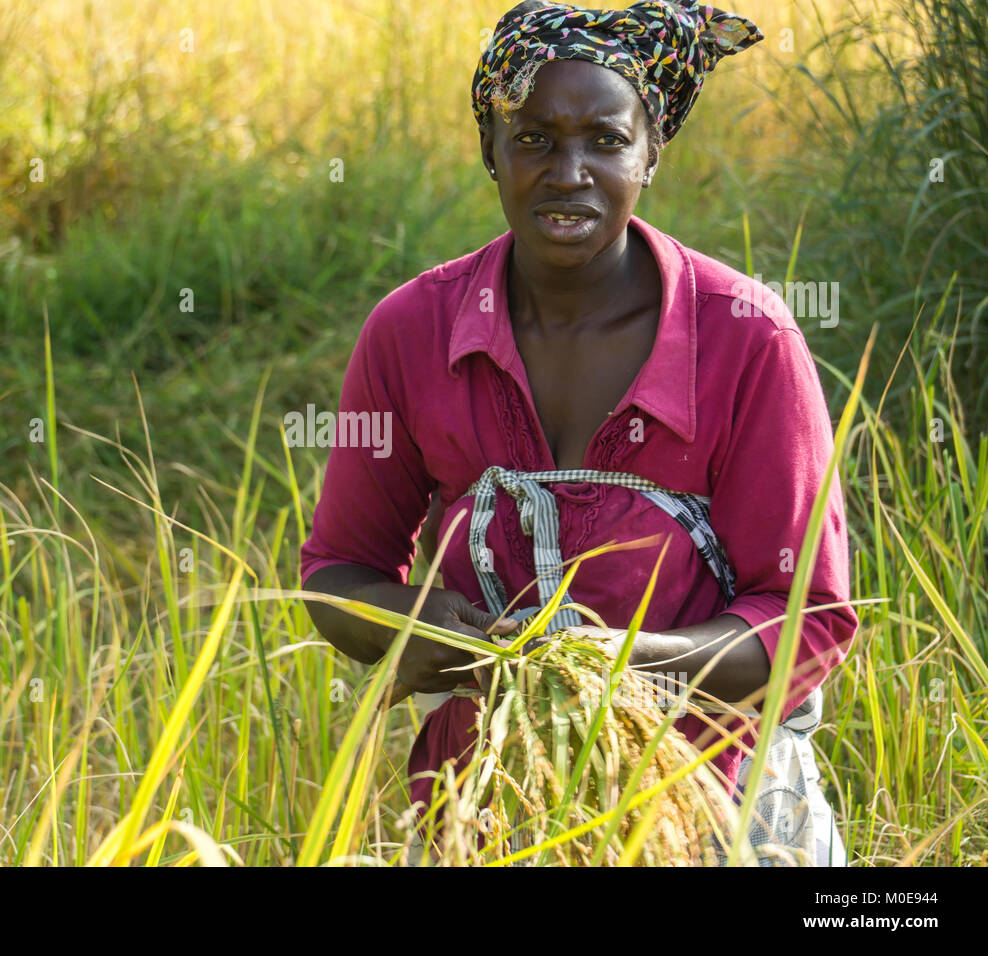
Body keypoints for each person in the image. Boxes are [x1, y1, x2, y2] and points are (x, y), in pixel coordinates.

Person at [300, 0, 857, 865]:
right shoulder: (411, 331)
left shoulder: (748, 337)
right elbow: (337, 575)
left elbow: (804, 620)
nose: (570, 173)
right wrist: (441, 628)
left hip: (713, 799)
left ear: (651, 154)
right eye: (533, 140)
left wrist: (622, 668)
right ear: (490, 150)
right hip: (481, 800)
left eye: (605, 139)